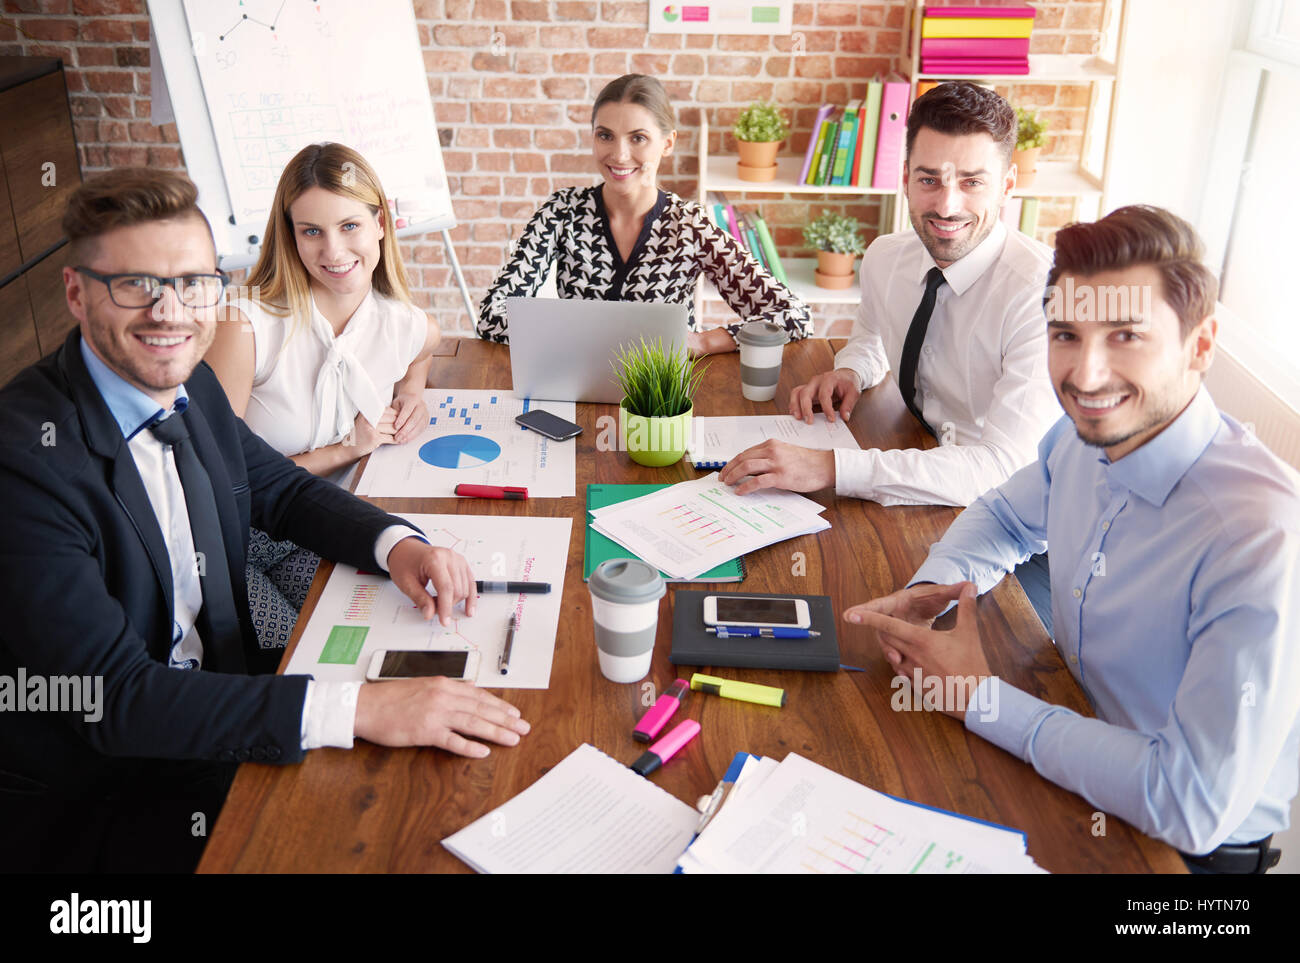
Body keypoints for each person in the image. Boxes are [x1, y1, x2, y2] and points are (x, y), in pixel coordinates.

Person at [0, 169, 529, 872]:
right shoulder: (23, 462)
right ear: (76, 292)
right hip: (107, 792)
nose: (170, 312)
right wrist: (359, 708)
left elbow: (276, 488)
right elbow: (115, 699)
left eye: (194, 282)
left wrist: (396, 544)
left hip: (226, 706)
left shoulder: (188, 382)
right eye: (135, 284)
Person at [847, 206, 1300, 872]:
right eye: (1066, 333)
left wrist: (982, 699)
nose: (1085, 376)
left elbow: (1189, 801)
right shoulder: (1083, 435)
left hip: (1176, 852)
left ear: (1200, 345)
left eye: (1126, 336)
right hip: (1063, 741)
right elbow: (1005, 516)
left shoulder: (1260, 535)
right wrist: (933, 590)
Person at [720, 82, 1060, 507]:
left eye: (972, 182)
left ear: (1007, 185)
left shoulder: (1045, 296)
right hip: (916, 452)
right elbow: (872, 338)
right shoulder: (885, 258)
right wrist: (851, 371)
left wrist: (830, 467)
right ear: (905, 179)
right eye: (929, 179)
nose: (947, 206)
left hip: (1006, 509)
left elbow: (1004, 468)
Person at [205, 143, 438, 649]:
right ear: (290, 235)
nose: (333, 251)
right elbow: (217, 482)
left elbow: (424, 349)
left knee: (373, 637)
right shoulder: (244, 326)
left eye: (349, 225)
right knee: (292, 656)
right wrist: (344, 450)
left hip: (318, 529)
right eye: (311, 231)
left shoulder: (401, 322)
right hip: (232, 543)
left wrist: (413, 392)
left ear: (381, 223)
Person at [477, 73, 813, 355]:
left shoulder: (689, 225)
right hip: (574, 387)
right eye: (605, 136)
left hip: (660, 396)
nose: (619, 155)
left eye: (638, 138)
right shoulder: (561, 211)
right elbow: (492, 315)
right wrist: (567, 332)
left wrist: (703, 341)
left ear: (667, 143)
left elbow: (793, 316)